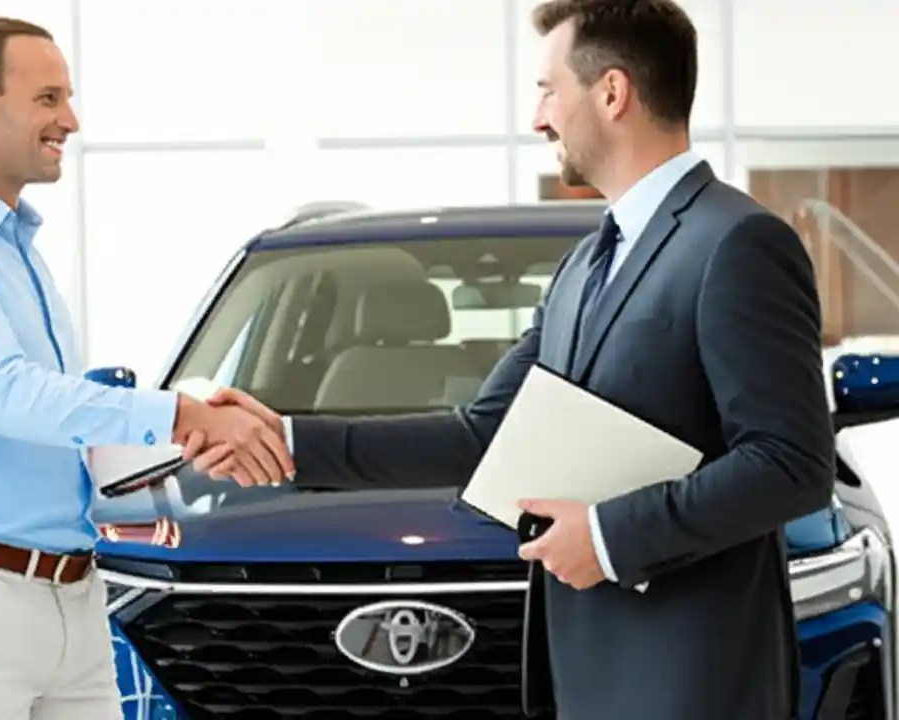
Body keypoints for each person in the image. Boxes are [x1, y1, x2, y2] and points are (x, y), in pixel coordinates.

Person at [197, 1, 836, 718]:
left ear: (613, 92)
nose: (538, 118)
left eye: (547, 90)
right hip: (585, 669)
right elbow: (482, 436)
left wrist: (606, 536)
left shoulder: (738, 242)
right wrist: (285, 441)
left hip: (691, 670)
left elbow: (791, 463)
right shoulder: (584, 265)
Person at [0, 17, 292, 719]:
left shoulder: (16, 244)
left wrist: (188, 437)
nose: (71, 119)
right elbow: (8, 396)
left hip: (75, 588)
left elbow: (53, 424)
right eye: (48, 99)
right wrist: (181, 417)